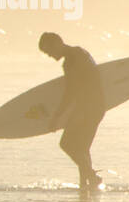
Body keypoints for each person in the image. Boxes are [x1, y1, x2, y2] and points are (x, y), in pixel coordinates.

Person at [39, 32, 105, 191]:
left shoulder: (70, 61)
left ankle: (92, 177)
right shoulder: (81, 52)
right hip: (97, 106)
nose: (49, 55)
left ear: (57, 43)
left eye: (48, 50)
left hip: (87, 108)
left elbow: (71, 92)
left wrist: (57, 116)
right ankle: (85, 188)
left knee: (67, 144)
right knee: (82, 149)